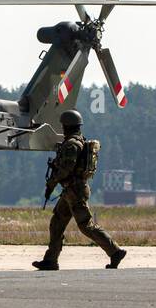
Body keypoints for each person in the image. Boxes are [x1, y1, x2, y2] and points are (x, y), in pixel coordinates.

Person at [32, 110, 126, 270]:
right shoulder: (76, 142)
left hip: (74, 191)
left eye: (63, 126)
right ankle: (50, 260)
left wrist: (52, 183)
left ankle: (114, 251)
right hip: (71, 191)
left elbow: (65, 170)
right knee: (57, 223)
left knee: (85, 225)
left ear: (67, 126)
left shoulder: (72, 145)